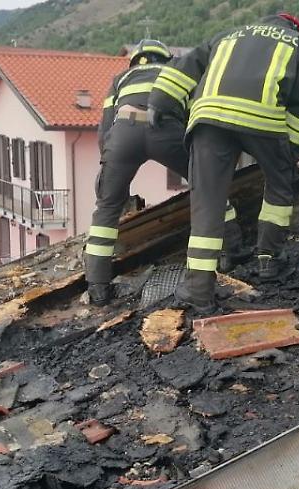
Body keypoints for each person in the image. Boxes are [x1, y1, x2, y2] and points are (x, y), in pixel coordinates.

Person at [148, 13, 299, 313]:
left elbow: (182, 70)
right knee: (279, 188)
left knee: (208, 200)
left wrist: (159, 102)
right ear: (295, 28)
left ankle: (198, 289)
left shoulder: (228, 34)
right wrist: (289, 152)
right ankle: (269, 260)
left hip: (209, 120)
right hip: (264, 121)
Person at [84, 40, 190, 306]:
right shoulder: (176, 72)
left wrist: (108, 168)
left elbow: (105, 127)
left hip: (123, 133)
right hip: (166, 128)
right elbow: (192, 115)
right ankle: (232, 248)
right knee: (207, 187)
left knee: (107, 208)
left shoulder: (120, 79)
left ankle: (98, 287)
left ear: (134, 60)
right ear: (165, 58)